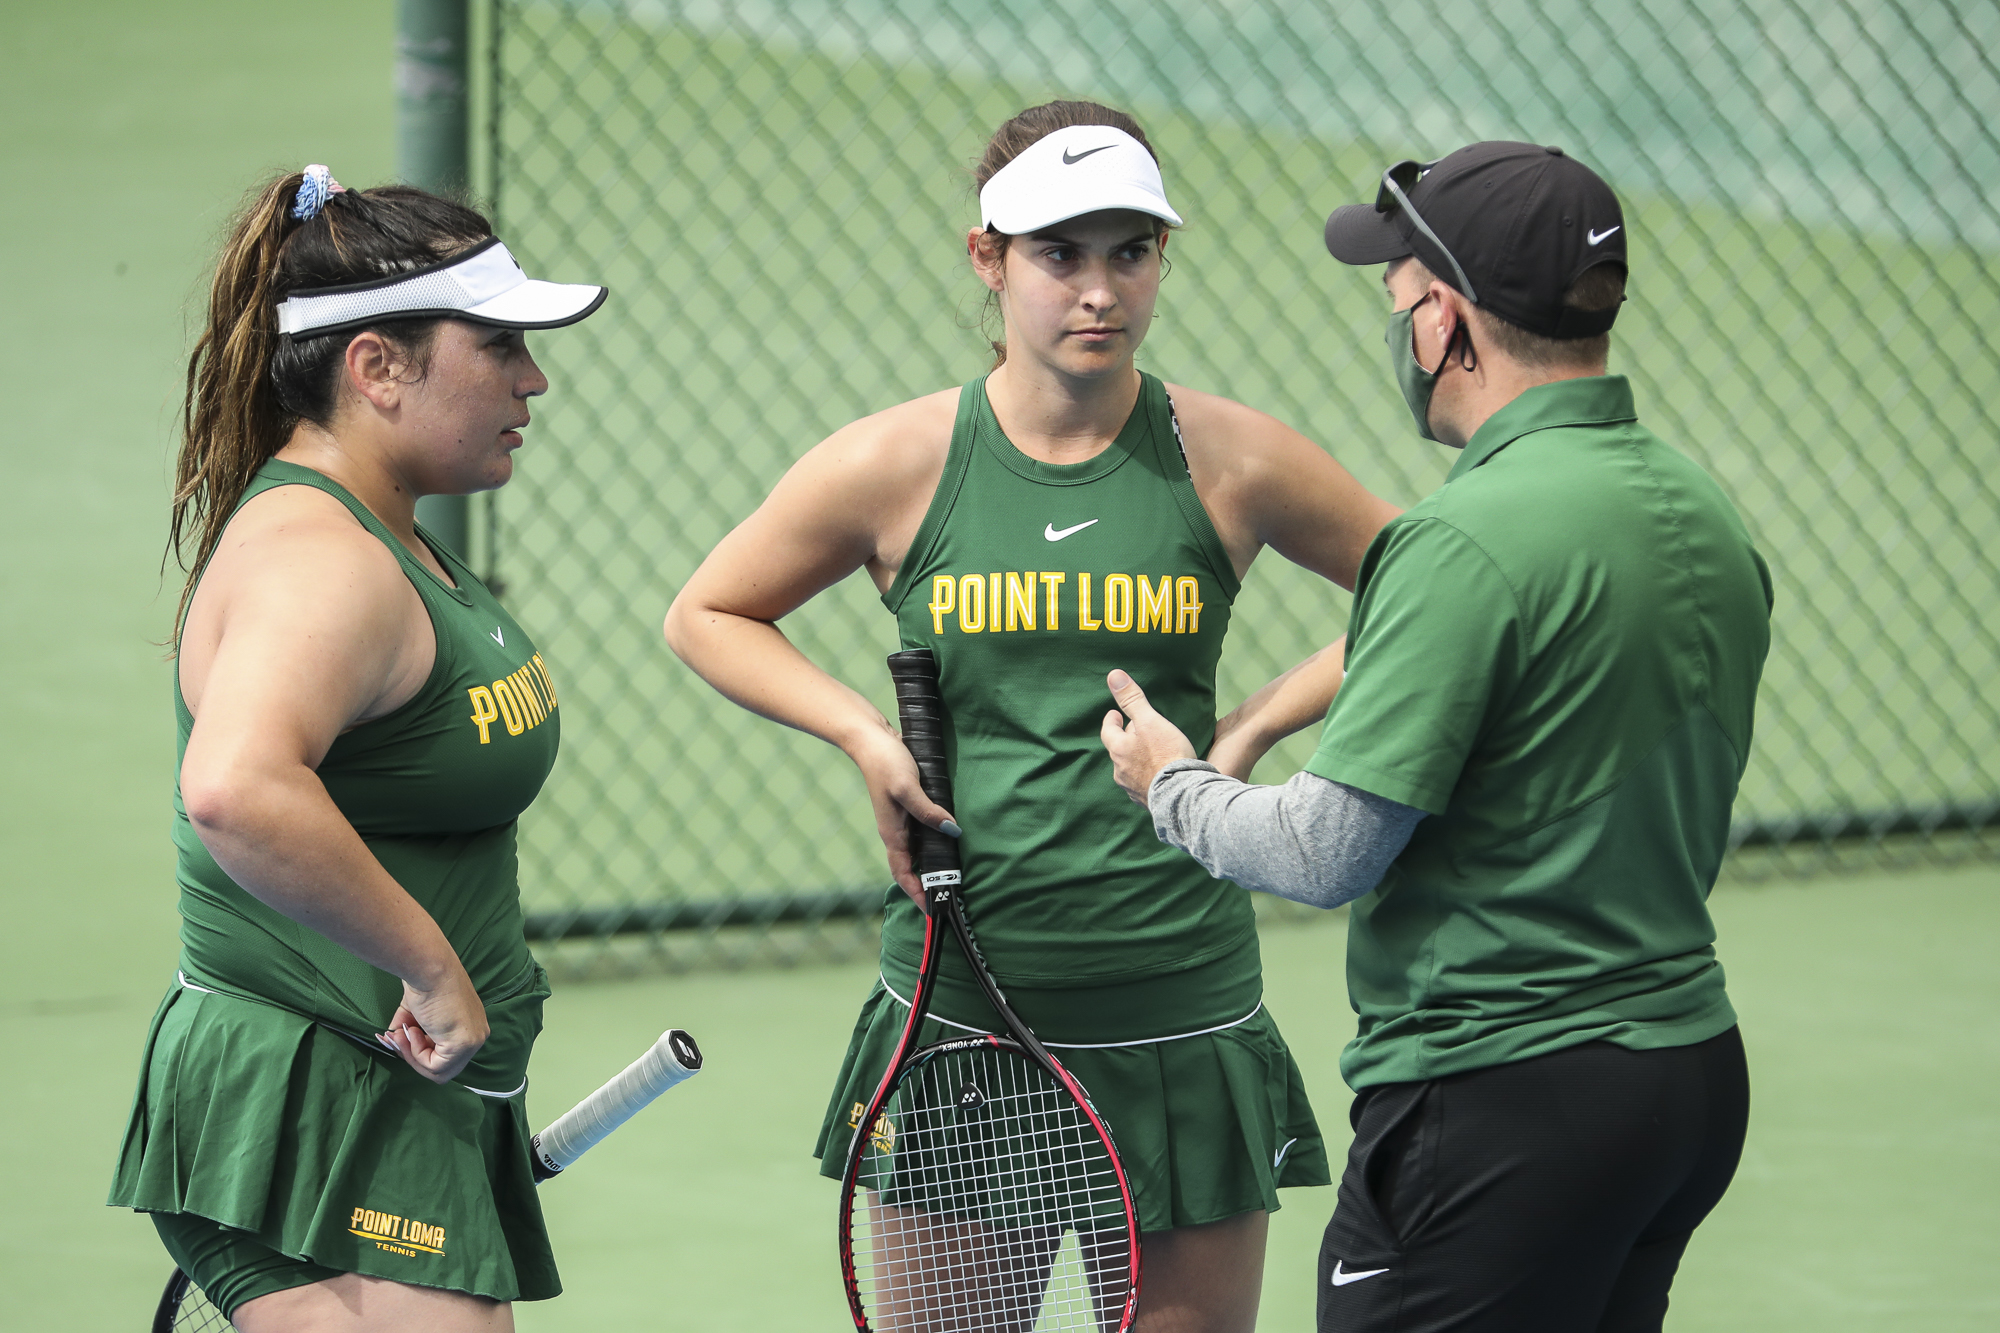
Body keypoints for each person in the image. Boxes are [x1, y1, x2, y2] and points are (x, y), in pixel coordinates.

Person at [665, 101, 1399, 1330]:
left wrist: (1261, 721)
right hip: (960, 1020)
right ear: (986, 259)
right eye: (1059, 255)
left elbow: (1428, 590)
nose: (1097, 290)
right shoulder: (894, 463)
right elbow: (710, 611)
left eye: (1130, 251)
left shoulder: (1232, 458)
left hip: (1182, 1010)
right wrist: (861, 732)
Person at [1100, 142, 1772, 1332]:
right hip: (1683, 1084)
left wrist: (1174, 784)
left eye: (1398, 294)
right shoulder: (1696, 512)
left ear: (1446, 323)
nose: (1396, 322)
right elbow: (1528, 673)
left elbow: (1322, 852)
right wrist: (1257, 719)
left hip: (1498, 1105)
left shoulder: (1457, 541)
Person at [109, 165, 607, 1331]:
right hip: (324, 1093)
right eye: (496, 348)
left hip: (381, 1091)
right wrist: (436, 970)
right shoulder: (320, 561)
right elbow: (234, 789)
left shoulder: (384, 534)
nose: (532, 380)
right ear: (377, 367)